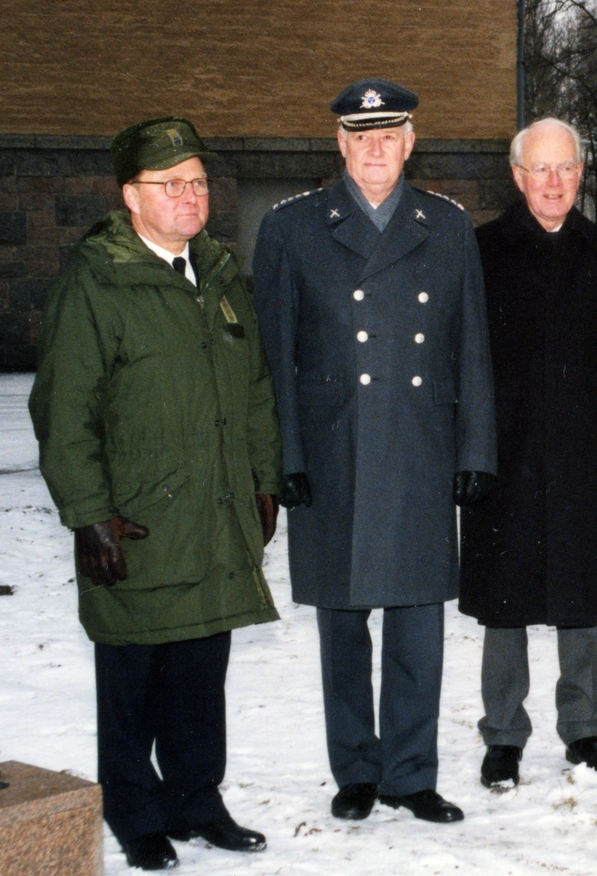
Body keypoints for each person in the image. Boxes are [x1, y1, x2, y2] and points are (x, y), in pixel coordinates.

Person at [29, 117, 281, 871]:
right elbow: (63, 408)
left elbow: (258, 389)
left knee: (202, 671)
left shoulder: (221, 272)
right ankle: (135, 810)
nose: (190, 196)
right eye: (170, 183)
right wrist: (87, 512)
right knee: (133, 675)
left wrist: (263, 481)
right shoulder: (97, 279)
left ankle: (197, 798)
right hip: (136, 521)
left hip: (217, 515)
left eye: (198, 181)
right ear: (130, 196)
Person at [252, 80, 496, 826]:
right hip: (334, 450)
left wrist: (476, 447)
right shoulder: (292, 228)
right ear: (340, 145)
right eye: (362, 137)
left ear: (410, 142)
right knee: (343, 623)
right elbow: (273, 355)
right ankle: (356, 766)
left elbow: (471, 347)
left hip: (419, 442)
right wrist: (282, 455)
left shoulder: (448, 226)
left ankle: (411, 772)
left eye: (389, 136)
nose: (376, 150)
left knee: (418, 620)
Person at [459, 118, 597, 788]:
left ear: (581, 174)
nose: (553, 181)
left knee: (579, 598)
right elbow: (459, 359)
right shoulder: (480, 250)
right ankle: (504, 735)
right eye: (539, 169)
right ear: (517, 177)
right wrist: (465, 452)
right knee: (505, 598)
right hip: (503, 458)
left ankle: (584, 729)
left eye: (566, 168)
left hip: (580, 456)